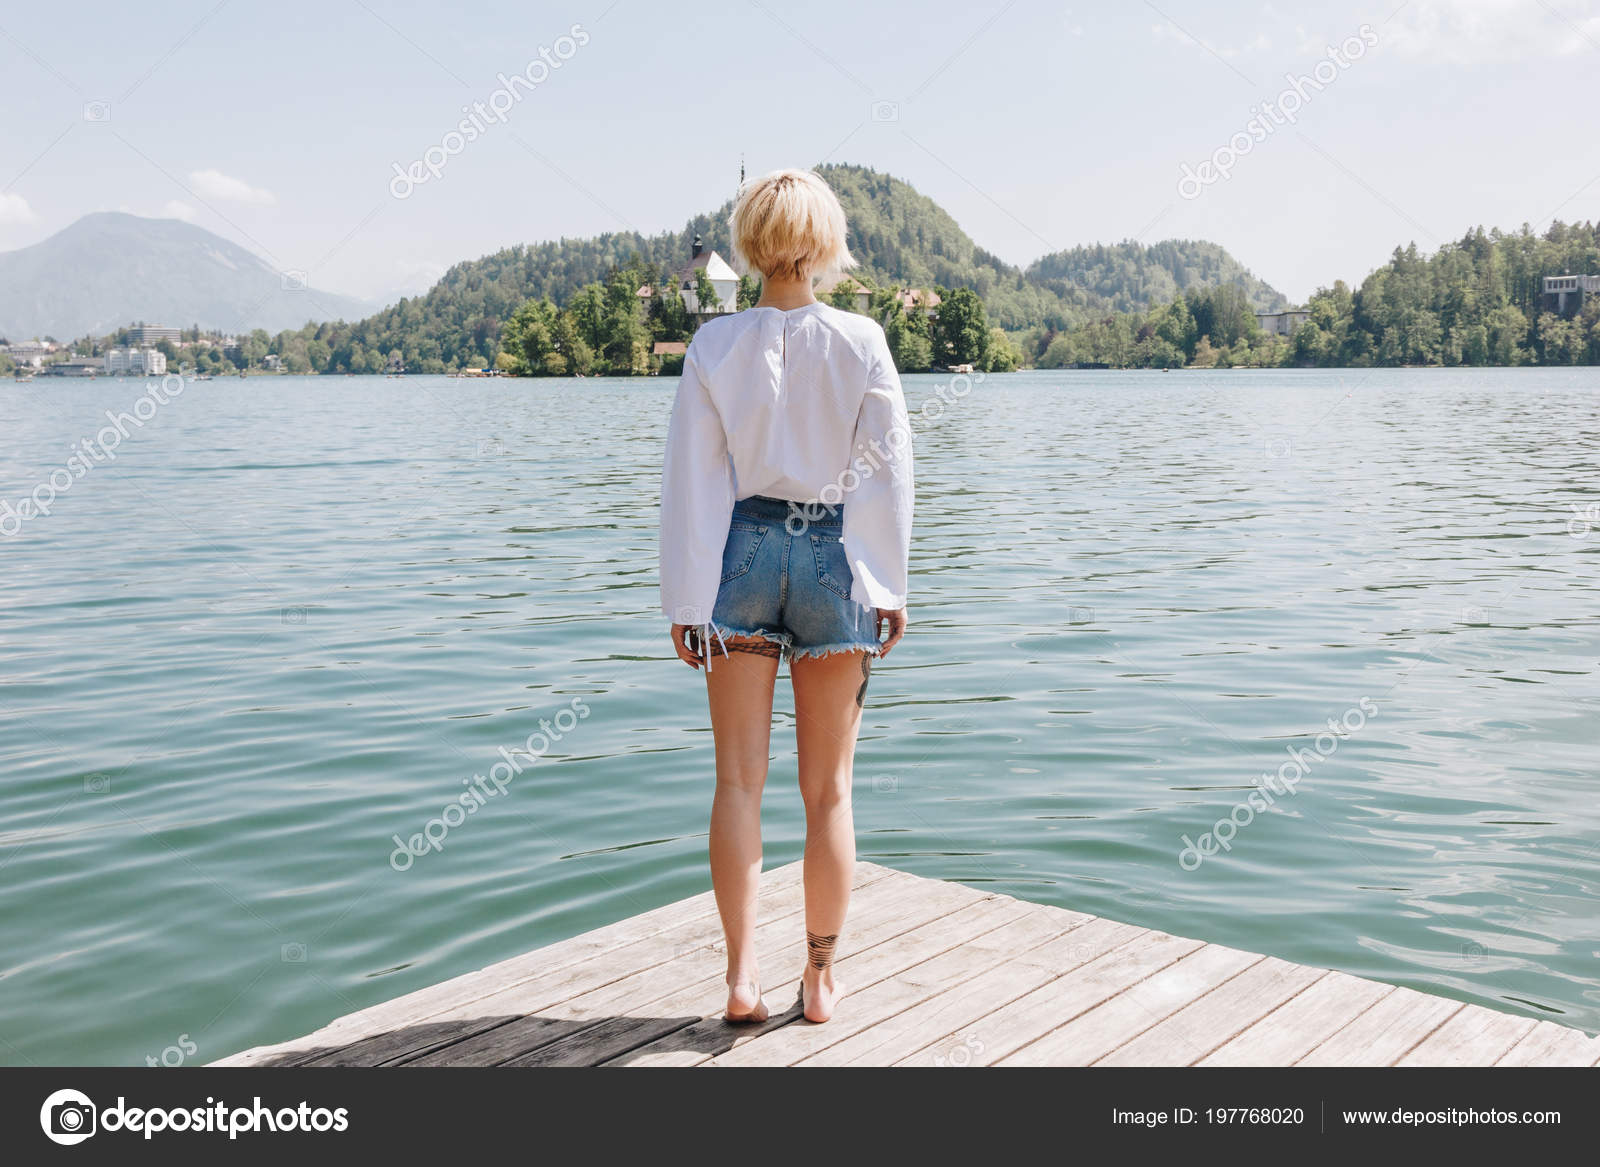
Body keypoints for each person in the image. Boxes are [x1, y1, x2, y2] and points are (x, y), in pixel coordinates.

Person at [658, 168, 914, 1024]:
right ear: (824, 241)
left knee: (736, 782)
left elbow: (694, 485)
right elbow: (886, 475)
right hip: (834, 551)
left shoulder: (712, 348)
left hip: (743, 548)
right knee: (830, 790)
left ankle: (740, 979)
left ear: (751, 242)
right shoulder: (863, 340)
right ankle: (819, 977)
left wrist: (689, 598)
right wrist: (886, 583)